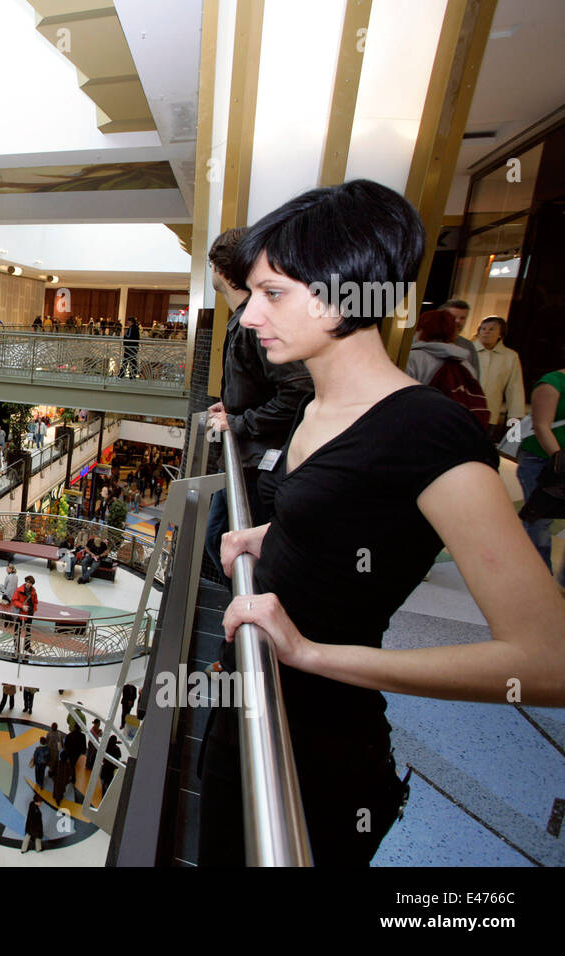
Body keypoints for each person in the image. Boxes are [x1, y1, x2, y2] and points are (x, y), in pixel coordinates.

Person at [200, 179, 565, 866]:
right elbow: (349, 514)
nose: (249, 317)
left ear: (343, 295)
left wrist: (311, 653)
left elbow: (549, 660)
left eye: (273, 294)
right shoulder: (319, 408)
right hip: (253, 707)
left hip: (317, 747)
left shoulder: (425, 432)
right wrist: (274, 535)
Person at [203, 227, 314, 579]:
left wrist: (238, 422)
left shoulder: (254, 323)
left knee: (230, 546)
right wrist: (232, 410)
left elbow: (297, 393)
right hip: (247, 457)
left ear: (221, 270)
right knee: (218, 539)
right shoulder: (244, 321)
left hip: (259, 464)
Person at [516, 365, 565, 589]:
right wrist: (559, 459)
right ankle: (541, 581)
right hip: (540, 460)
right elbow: (541, 426)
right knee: (539, 520)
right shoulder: (552, 382)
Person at [473, 316, 525, 441]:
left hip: (489, 416)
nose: (486, 332)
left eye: (491, 329)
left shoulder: (510, 357)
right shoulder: (467, 351)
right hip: (463, 412)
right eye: (483, 328)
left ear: (500, 334)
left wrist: (515, 420)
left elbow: (515, 389)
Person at [440, 297, 480, 367]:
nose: (458, 321)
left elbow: (474, 376)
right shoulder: (424, 341)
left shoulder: (468, 346)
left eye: (462, 318)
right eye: (453, 317)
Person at [11, 575, 38, 653]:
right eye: (28, 582)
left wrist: (34, 609)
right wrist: (22, 606)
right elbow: (14, 600)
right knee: (17, 631)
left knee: (28, 630)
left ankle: (27, 646)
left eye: (31, 583)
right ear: (26, 581)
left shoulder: (33, 591)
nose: (29, 584)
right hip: (20, 613)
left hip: (29, 613)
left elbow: (35, 601)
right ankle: (16, 648)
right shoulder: (19, 590)